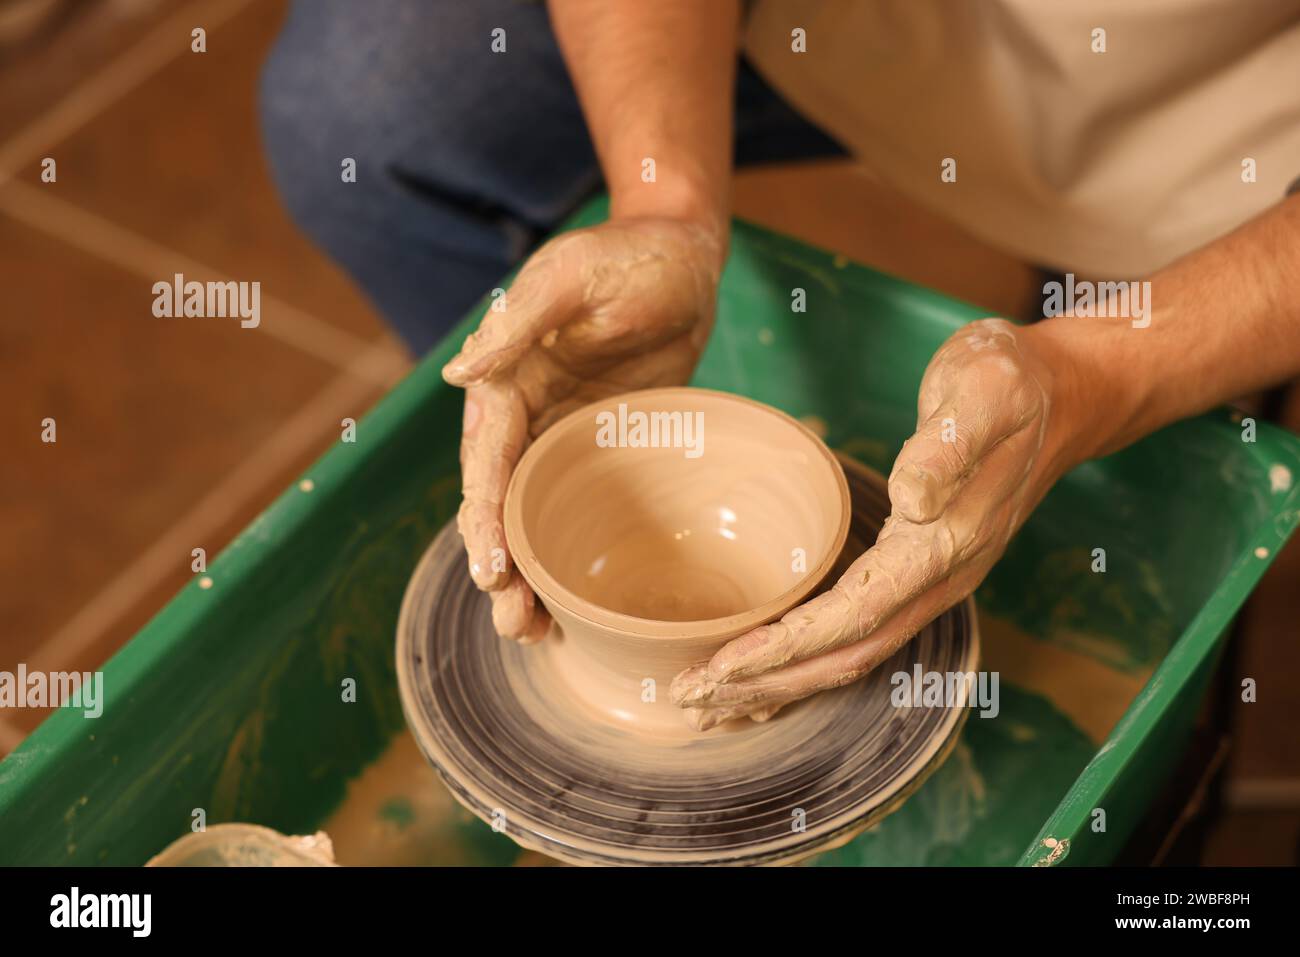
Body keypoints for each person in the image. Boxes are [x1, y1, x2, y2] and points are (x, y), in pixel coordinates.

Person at [262, 1, 1300, 730]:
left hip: (1217, 110)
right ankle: (555, 584)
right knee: (364, 106)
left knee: (1114, 504)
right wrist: (664, 204)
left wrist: (1097, 373)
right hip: (845, 23)